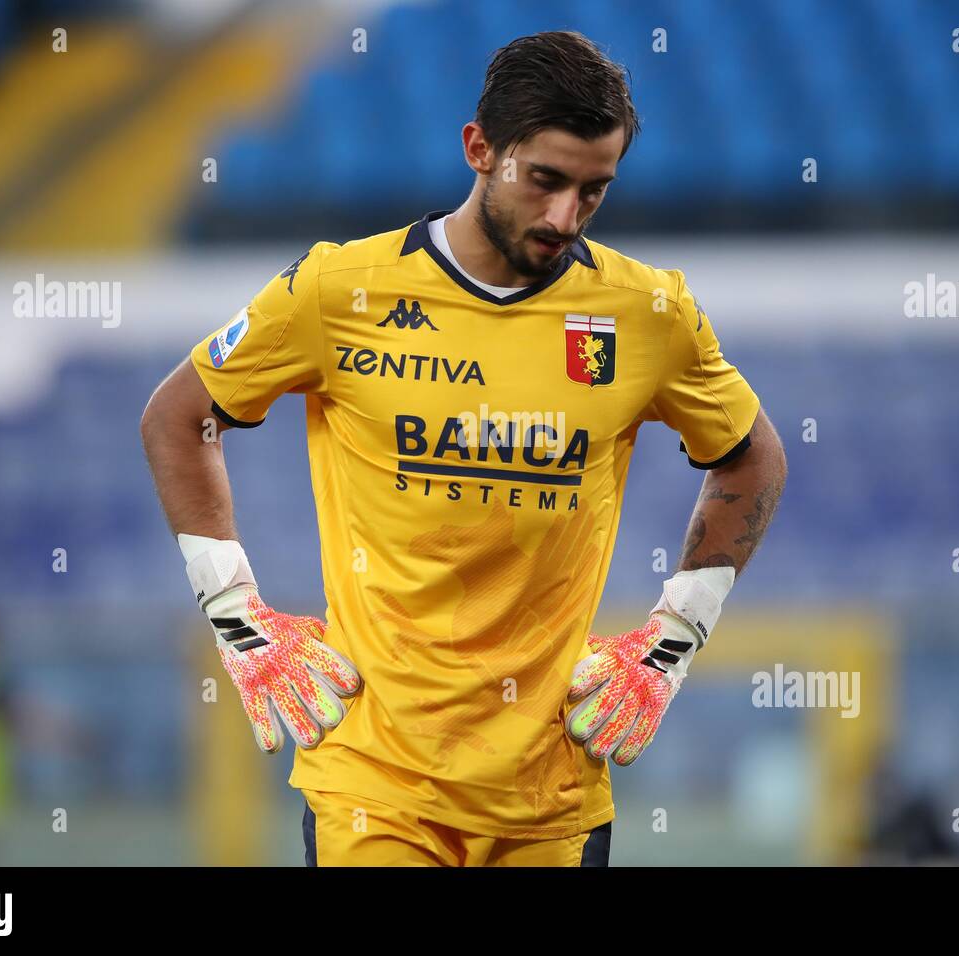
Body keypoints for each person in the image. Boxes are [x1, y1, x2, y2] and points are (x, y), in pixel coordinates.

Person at [141, 30, 786, 867]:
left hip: (550, 794)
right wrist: (238, 618)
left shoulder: (647, 314)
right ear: (479, 149)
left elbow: (752, 455)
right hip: (375, 785)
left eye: (594, 191)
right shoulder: (339, 291)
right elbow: (177, 417)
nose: (565, 217)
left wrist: (675, 635)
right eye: (545, 180)